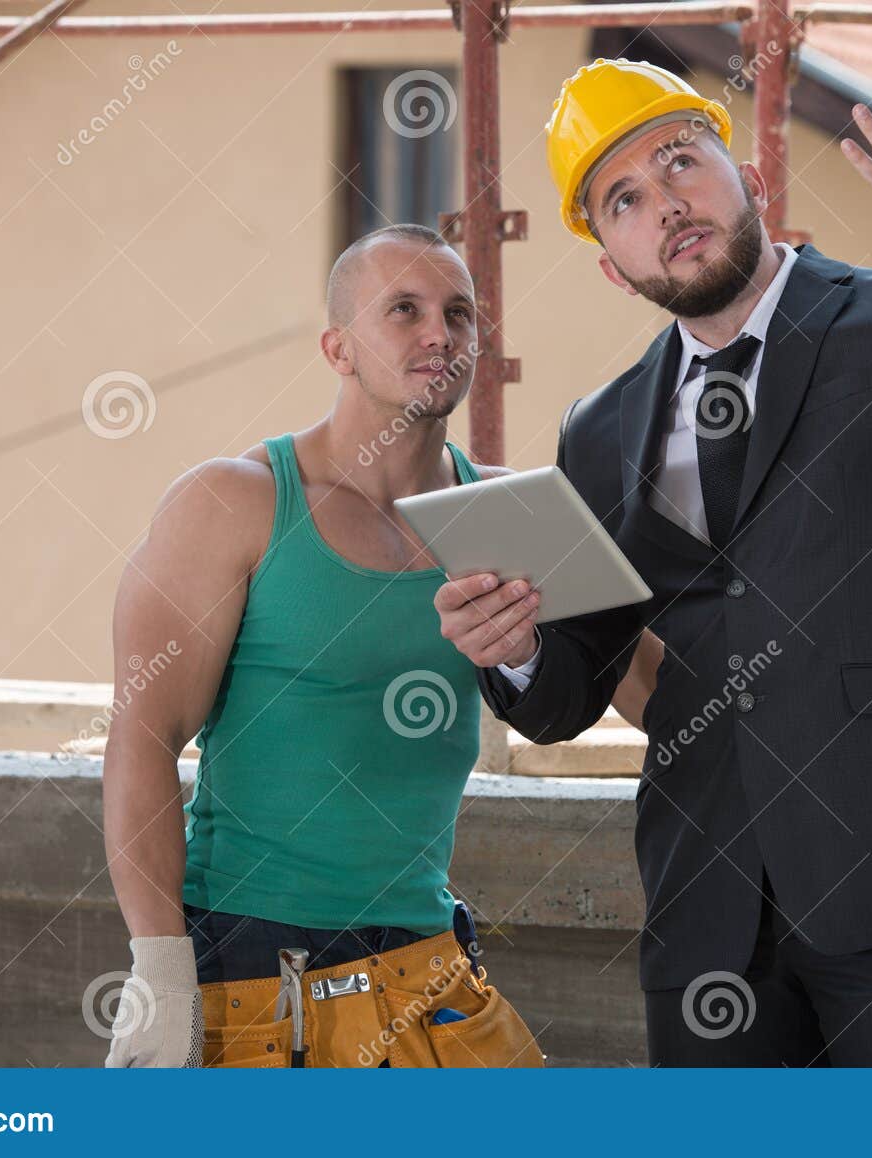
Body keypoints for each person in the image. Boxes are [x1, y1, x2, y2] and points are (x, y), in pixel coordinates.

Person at [434, 58, 872, 1066]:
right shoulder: (601, 430)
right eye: (624, 201)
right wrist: (514, 648)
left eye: (679, 165)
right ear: (611, 262)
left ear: (744, 173)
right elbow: (569, 689)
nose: (665, 206)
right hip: (712, 916)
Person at [99, 223, 652, 1067]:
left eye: (460, 314)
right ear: (339, 347)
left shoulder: (510, 514)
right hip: (252, 967)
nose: (441, 334)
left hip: (427, 966)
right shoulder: (235, 502)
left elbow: (656, 695)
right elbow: (141, 739)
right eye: (404, 310)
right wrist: (162, 969)